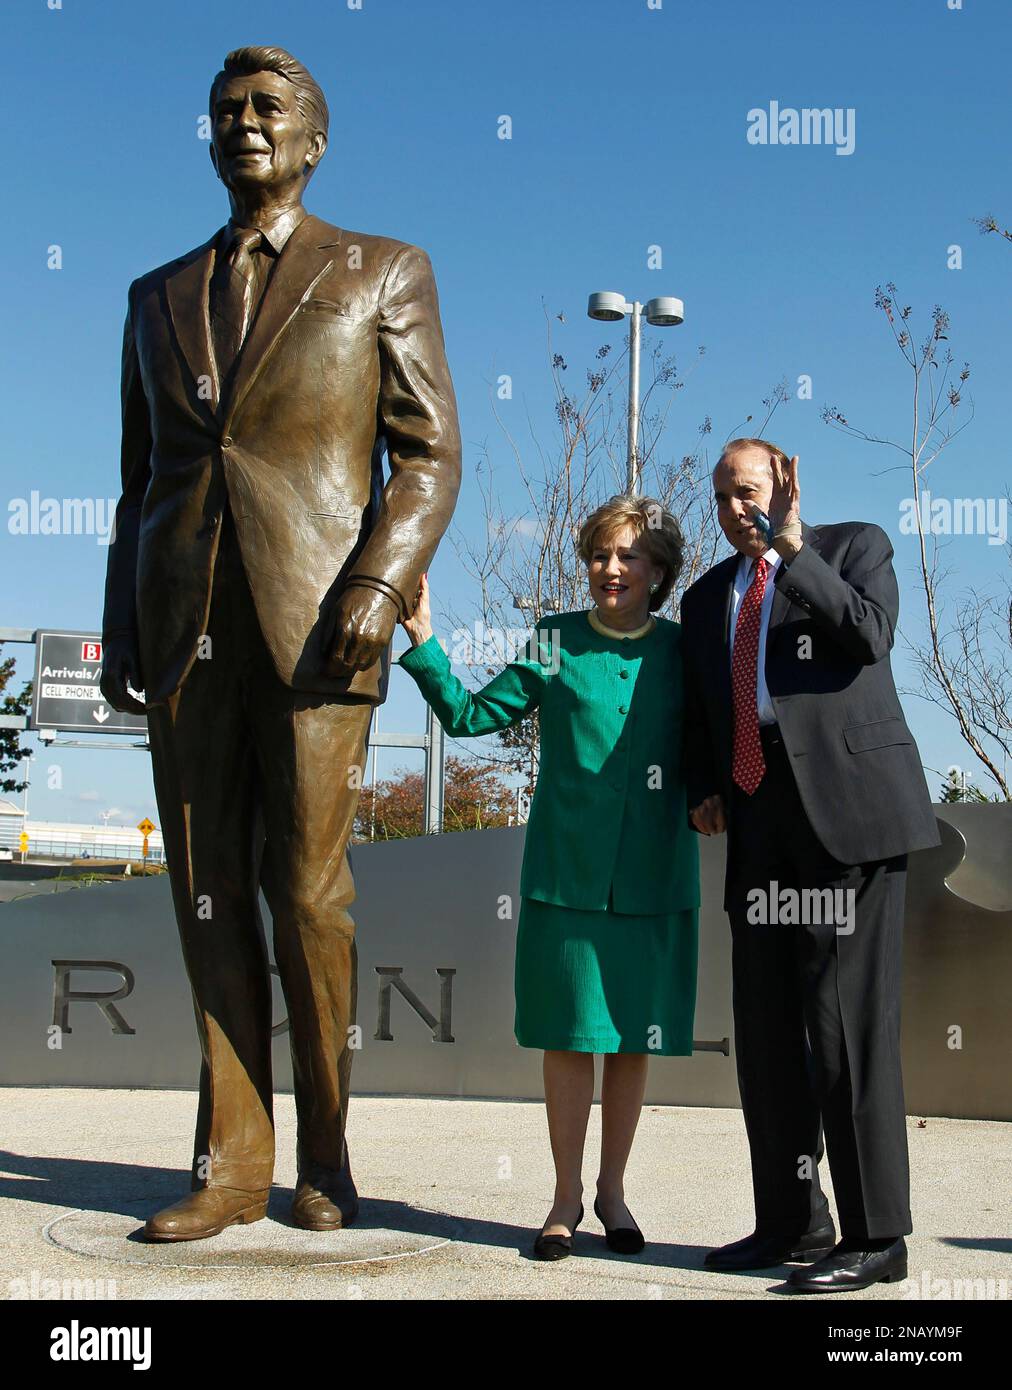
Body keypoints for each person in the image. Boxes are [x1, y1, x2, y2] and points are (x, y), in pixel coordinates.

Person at [99, 46, 460, 1241]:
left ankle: (329, 1149)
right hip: (181, 627)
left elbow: (427, 451)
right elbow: (138, 478)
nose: (245, 124)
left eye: (269, 110)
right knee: (205, 892)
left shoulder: (382, 270)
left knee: (308, 897)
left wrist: (380, 574)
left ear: (313, 141)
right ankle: (229, 1160)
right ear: (206, 141)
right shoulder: (154, 295)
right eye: (226, 112)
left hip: (320, 624)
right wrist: (120, 623)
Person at [398, 495, 699, 1259]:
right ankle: (565, 1198)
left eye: (629, 556)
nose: (611, 568)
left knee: (631, 1041)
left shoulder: (683, 651)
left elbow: (715, 747)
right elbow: (470, 718)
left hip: (653, 878)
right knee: (568, 1039)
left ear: (658, 572)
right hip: (565, 878)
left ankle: (614, 1193)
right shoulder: (553, 641)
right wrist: (424, 641)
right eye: (600, 554)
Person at [680, 438, 939, 1292]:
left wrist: (794, 550)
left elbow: (870, 636)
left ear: (785, 485)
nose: (733, 510)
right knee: (767, 1034)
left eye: (746, 491)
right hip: (758, 825)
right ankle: (792, 1222)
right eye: (720, 497)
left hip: (847, 818)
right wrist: (701, 786)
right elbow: (701, 709)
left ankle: (876, 1237)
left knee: (843, 1032)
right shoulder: (705, 596)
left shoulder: (853, 545)